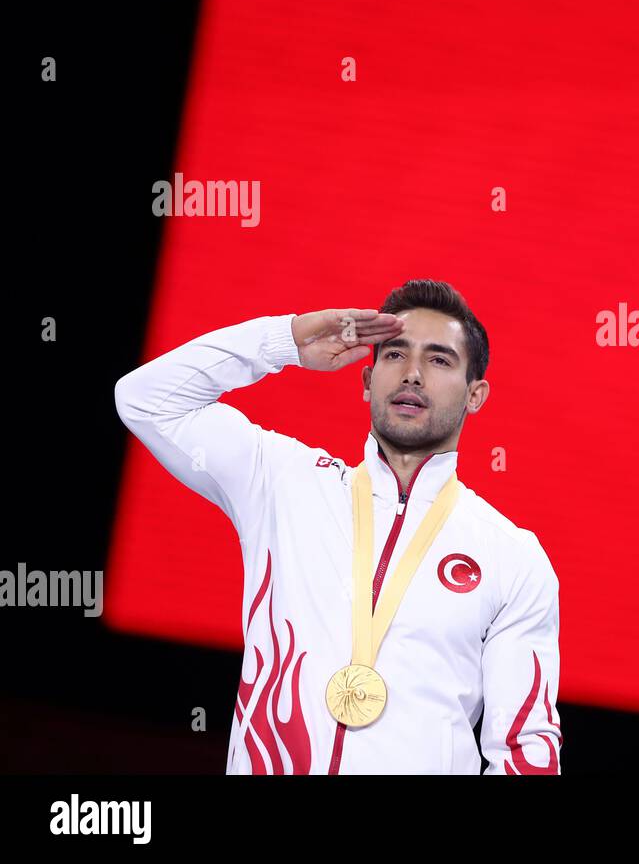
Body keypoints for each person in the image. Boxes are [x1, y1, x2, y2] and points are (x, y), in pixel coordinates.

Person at [114, 279, 562, 774]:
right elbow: (144, 399)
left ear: (475, 394)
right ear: (368, 380)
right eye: (395, 355)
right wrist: (285, 340)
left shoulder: (512, 557)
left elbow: (525, 749)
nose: (412, 374)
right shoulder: (283, 483)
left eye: (438, 360)